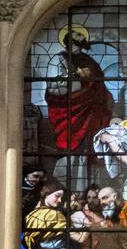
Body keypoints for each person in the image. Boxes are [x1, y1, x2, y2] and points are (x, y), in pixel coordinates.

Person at [45, 25, 114, 185]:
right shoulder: (59, 59)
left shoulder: (91, 62)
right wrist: (77, 77)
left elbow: (99, 85)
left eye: (81, 36)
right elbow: (54, 88)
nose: (80, 38)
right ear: (68, 40)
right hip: (68, 110)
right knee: (72, 150)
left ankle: (90, 188)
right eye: (76, 36)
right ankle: (69, 187)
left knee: (88, 149)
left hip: (91, 111)